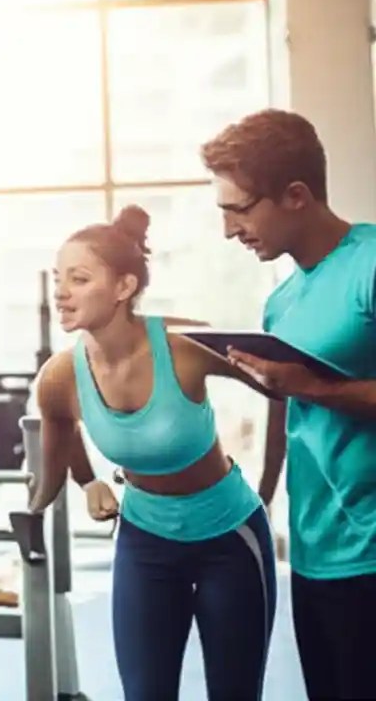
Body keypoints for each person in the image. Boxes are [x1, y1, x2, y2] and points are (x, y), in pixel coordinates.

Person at [27, 205, 277, 701]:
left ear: (123, 287)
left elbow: (282, 383)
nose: (61, 291)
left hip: (230, 537)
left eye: (78, 278)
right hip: (146, 542)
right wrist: (83, 483)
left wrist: (269, 484)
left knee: (235, 693)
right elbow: (57, 450)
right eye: (59, 278)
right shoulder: (59, 378)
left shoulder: (186, 346)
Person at [200, 109, 376, 700]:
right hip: (314, 550)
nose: (229, 230)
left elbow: (302, 389)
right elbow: (285, 411)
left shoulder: (370, 265)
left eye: (240, 209)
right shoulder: (280, 304)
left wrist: (313, 386)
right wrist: (261, 497)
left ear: (296, 195)